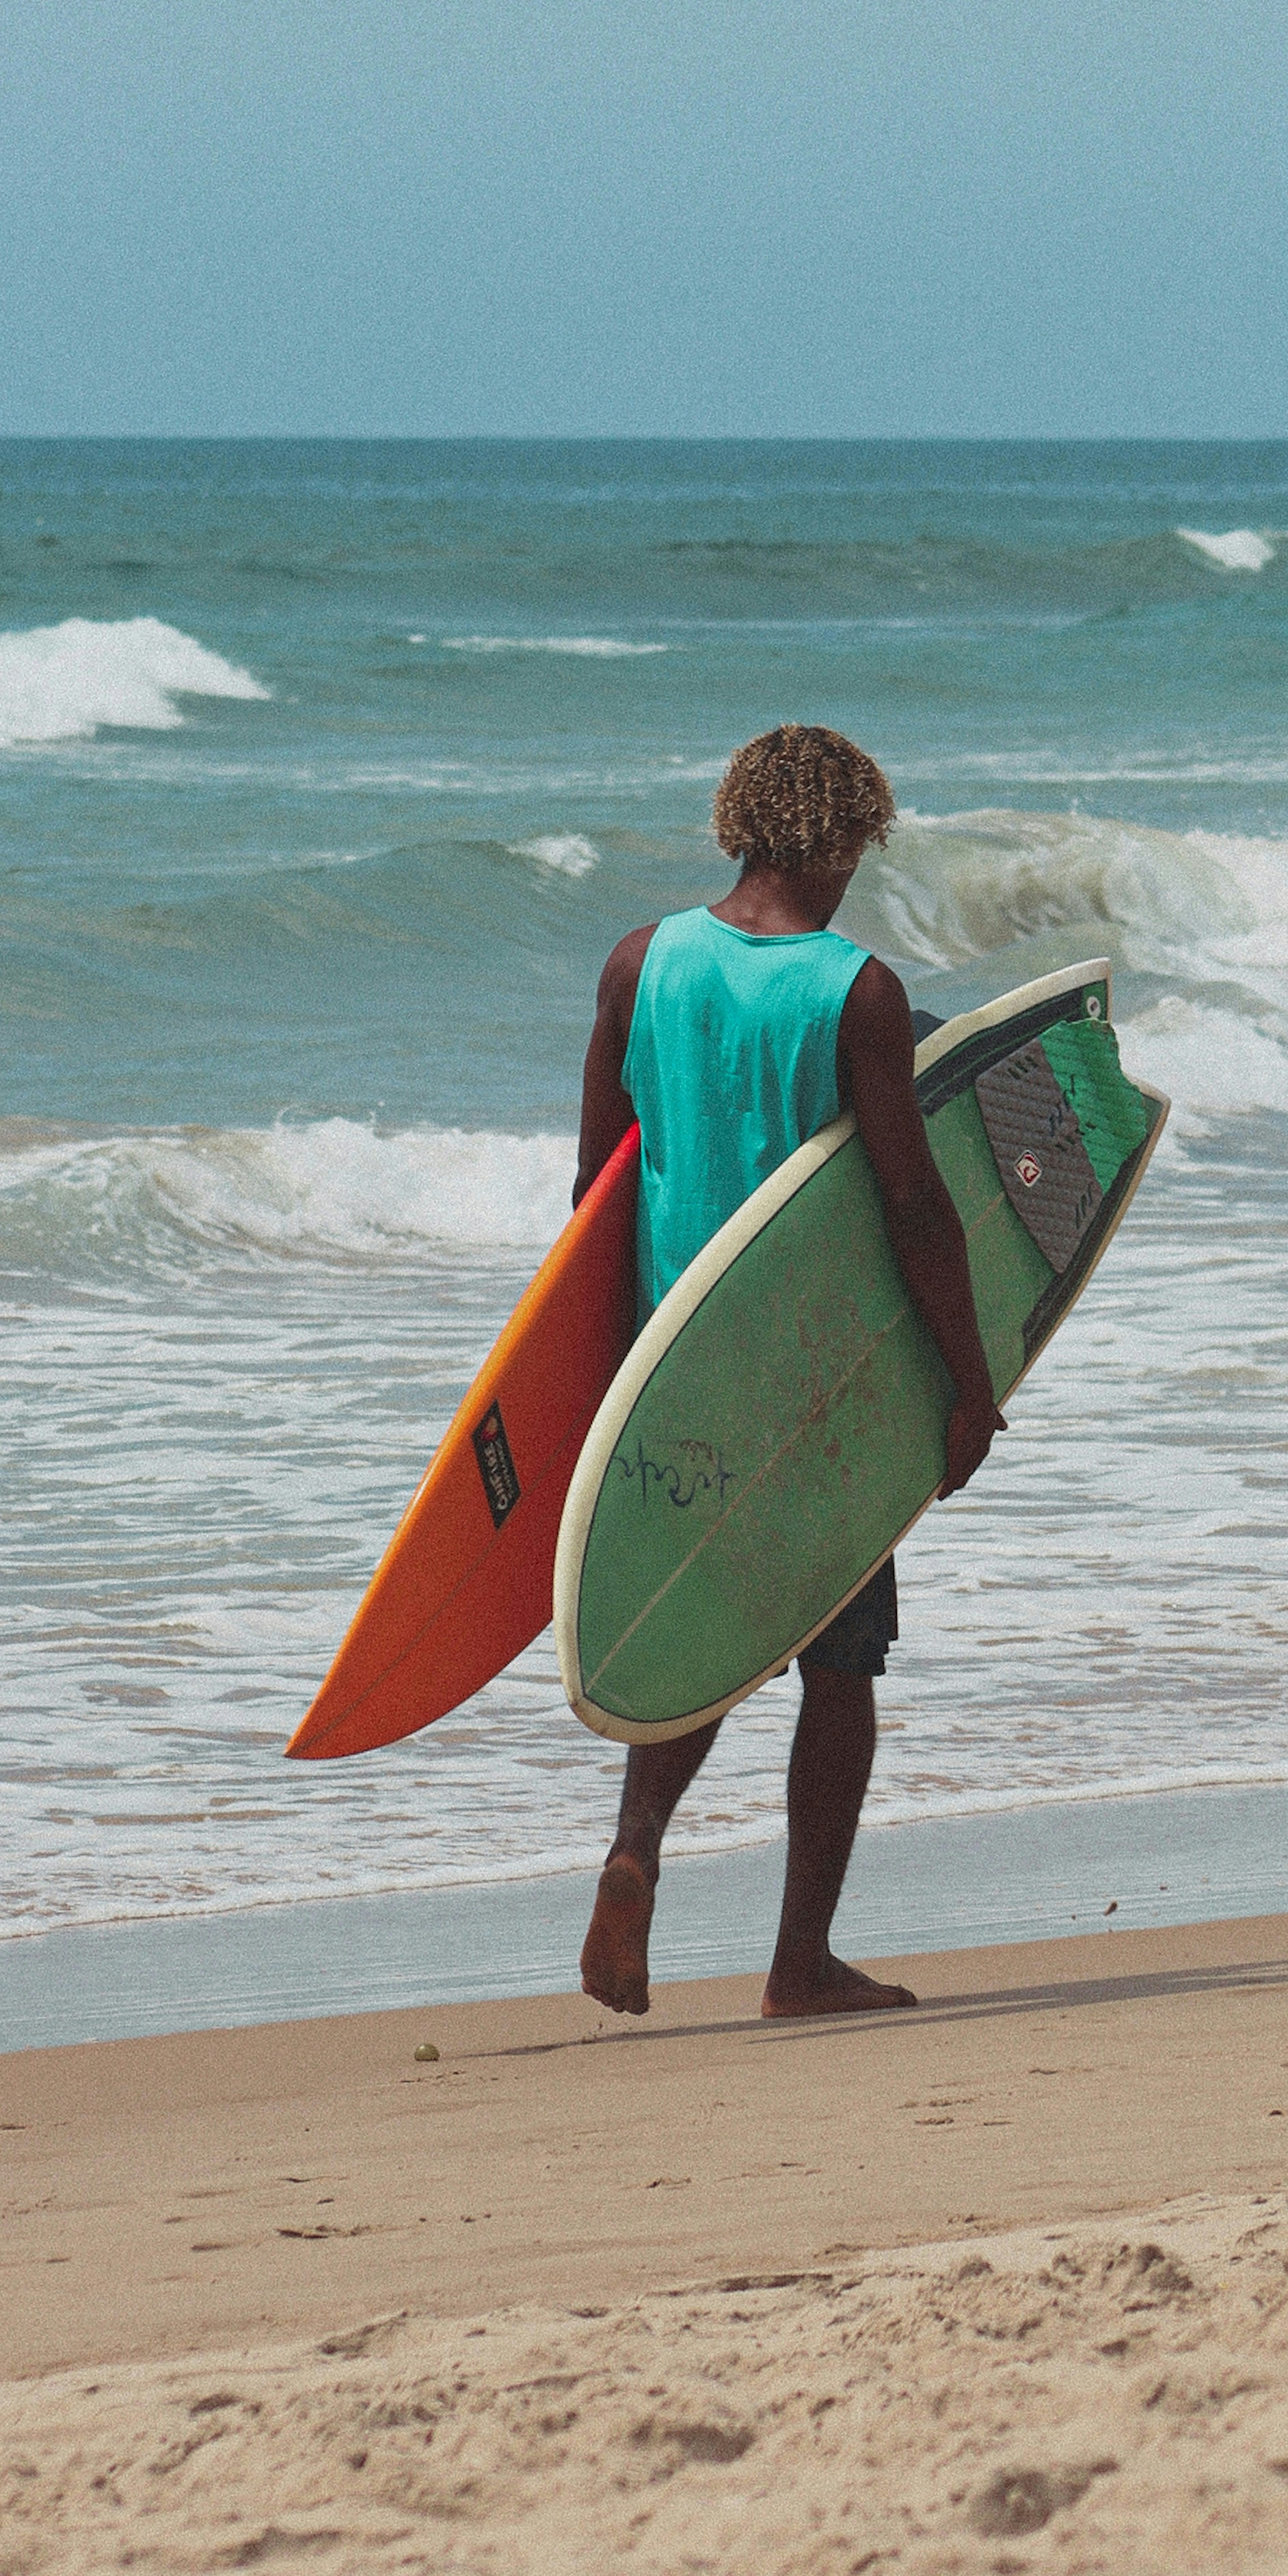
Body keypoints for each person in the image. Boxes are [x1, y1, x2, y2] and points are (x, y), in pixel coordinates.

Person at [571, 724, 999, 2023]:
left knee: (695, 1619)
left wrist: (599, 1379)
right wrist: (968, 1382)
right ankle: (800, 1960)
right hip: (812, 1377)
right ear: (854, 836)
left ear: (736, 824)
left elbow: (593, 1187)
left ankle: (638, 1845)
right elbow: (913, 1204)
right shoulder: (854, 990)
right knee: (838, 1663)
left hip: (671, 1359)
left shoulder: (640, 962)